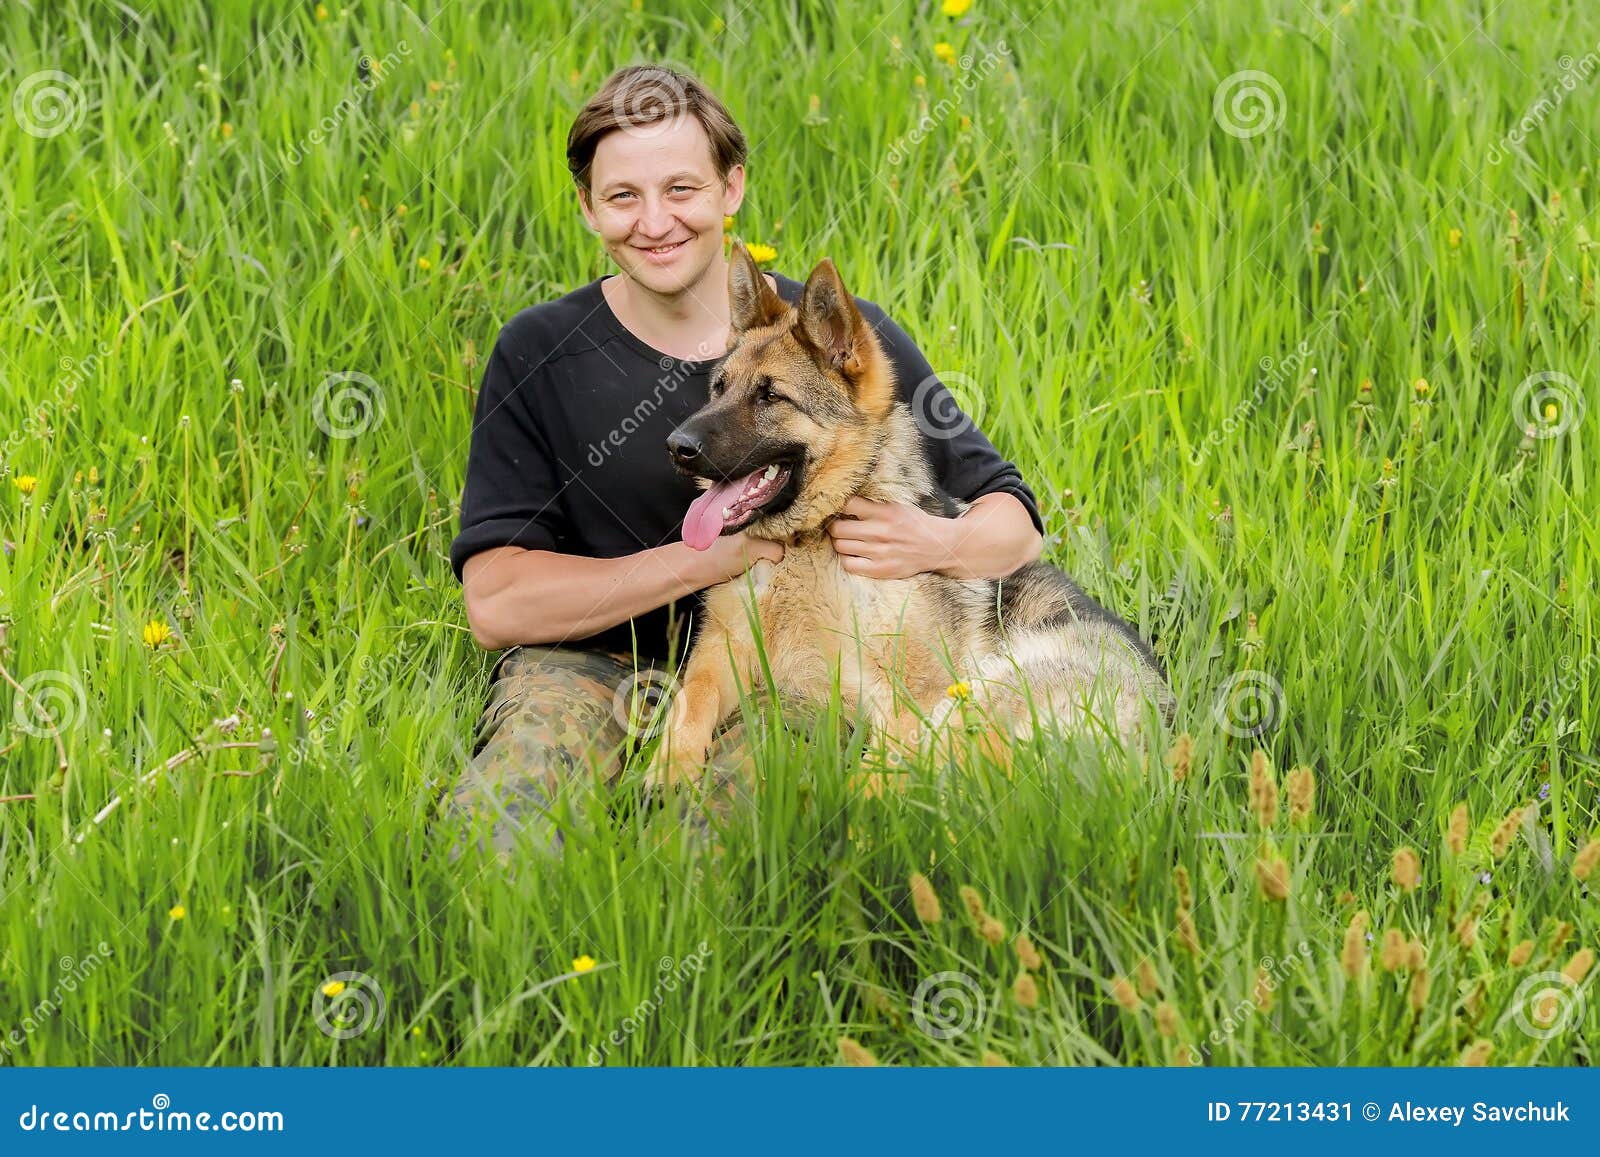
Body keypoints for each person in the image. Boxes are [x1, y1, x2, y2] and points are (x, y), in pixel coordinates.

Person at [447, 64, 1045, 857]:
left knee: (720, 846)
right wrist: (705, 560)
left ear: (731, 189)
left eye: (682, 189)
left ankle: (671, 965)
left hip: (790, 663)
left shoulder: (834, 340)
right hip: (585, 661)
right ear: (589, 208)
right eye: (624, 196)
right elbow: (495, 605)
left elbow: (1014, 524)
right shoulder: (538, 351)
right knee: (502, 832)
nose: (655, 221)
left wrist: (937, 543)